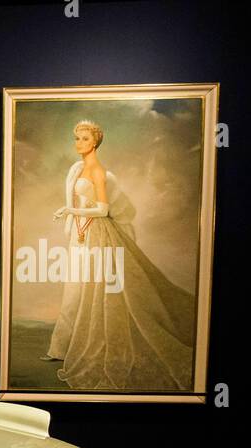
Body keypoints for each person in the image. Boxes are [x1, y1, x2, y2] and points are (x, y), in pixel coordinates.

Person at [43, 119, 195, 390]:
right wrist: (70, 213)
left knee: (95, 289)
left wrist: (71, 211)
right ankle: (63, 346)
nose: (79, 143)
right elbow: (78, 201)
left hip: (97, 235)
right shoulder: (77, 169)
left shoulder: (99, 172)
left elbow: (102, 209)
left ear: (96, 142)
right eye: (76, 138)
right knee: (73, 287)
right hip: (80, 235)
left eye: (84, 139)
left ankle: (92, 342)